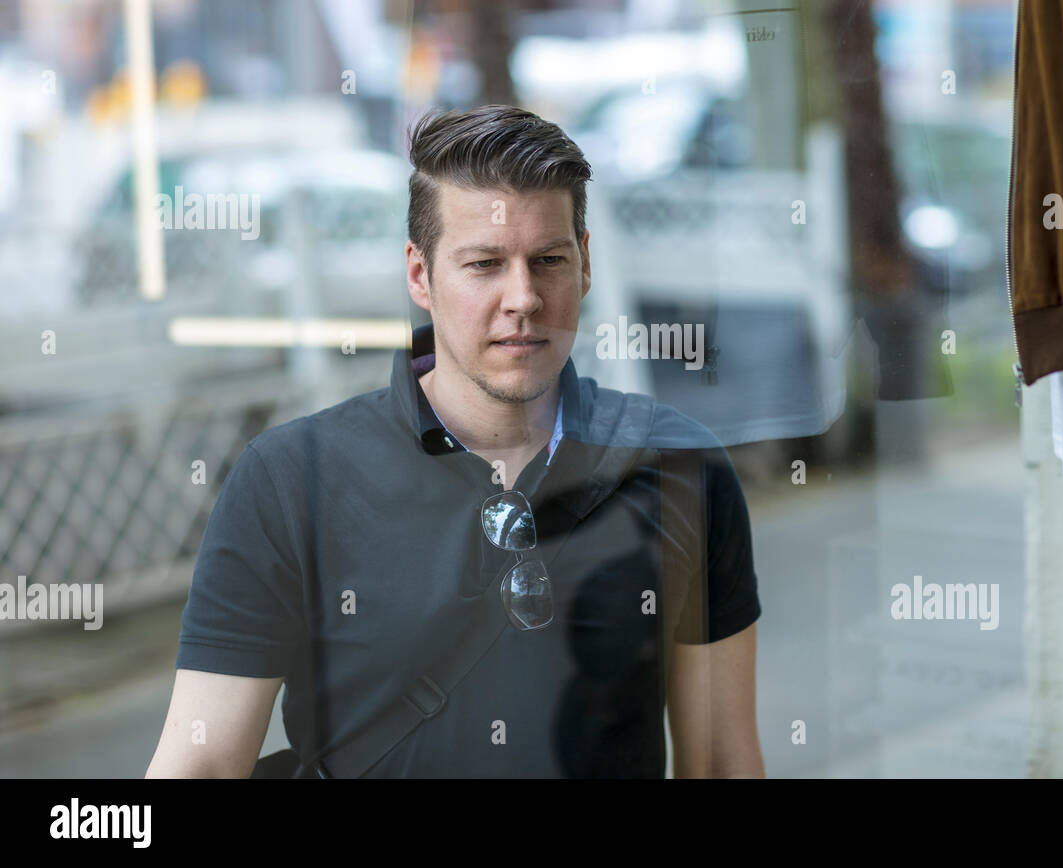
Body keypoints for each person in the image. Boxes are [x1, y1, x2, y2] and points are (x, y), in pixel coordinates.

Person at [145, 105, 764, 778]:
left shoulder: (682, 468)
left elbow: (722, 762)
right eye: (485, 264)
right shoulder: (290, 480)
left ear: (585, 264)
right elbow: (201, 764)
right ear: (420, 276)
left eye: (548, 260)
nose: (523, 297)